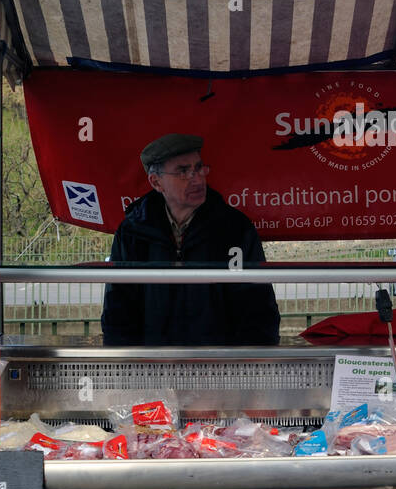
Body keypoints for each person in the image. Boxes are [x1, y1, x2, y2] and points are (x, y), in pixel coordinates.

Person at [100, 133, 280, 346]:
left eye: (199, 168)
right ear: (156, 182)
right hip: (153, 366)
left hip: (219, 367)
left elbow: (257, 306)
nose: (197, 179)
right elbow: (118, 309)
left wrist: (241, 364)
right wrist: (132, 365)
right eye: (183, 171)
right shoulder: (132, 232)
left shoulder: (234, 229)